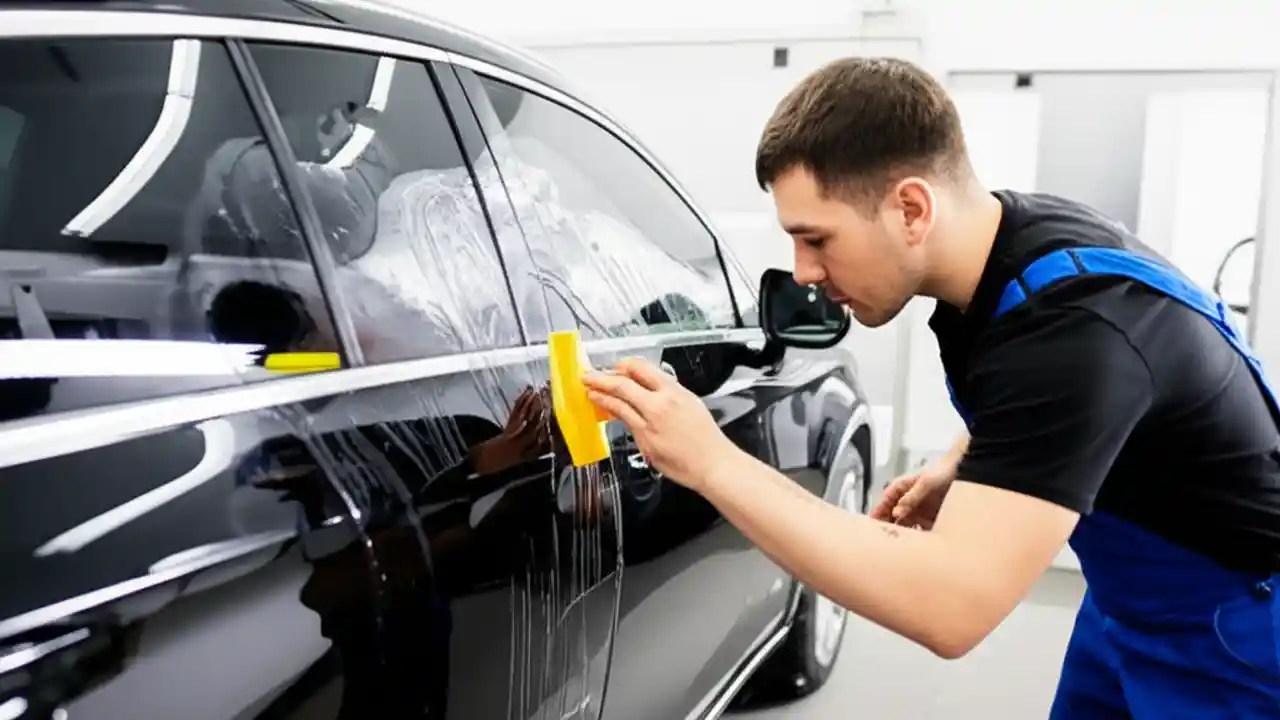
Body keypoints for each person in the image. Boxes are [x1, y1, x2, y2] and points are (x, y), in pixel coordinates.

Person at [582, 57, 1280, 718]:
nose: (802, 274)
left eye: (816, 239)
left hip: (1234, 631)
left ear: (912, 208)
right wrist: (974, 457)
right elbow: (1092, 390)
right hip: (1127, 604)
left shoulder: (1072, 332)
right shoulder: (1007, 247)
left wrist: (713, 462)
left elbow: (948, 608)